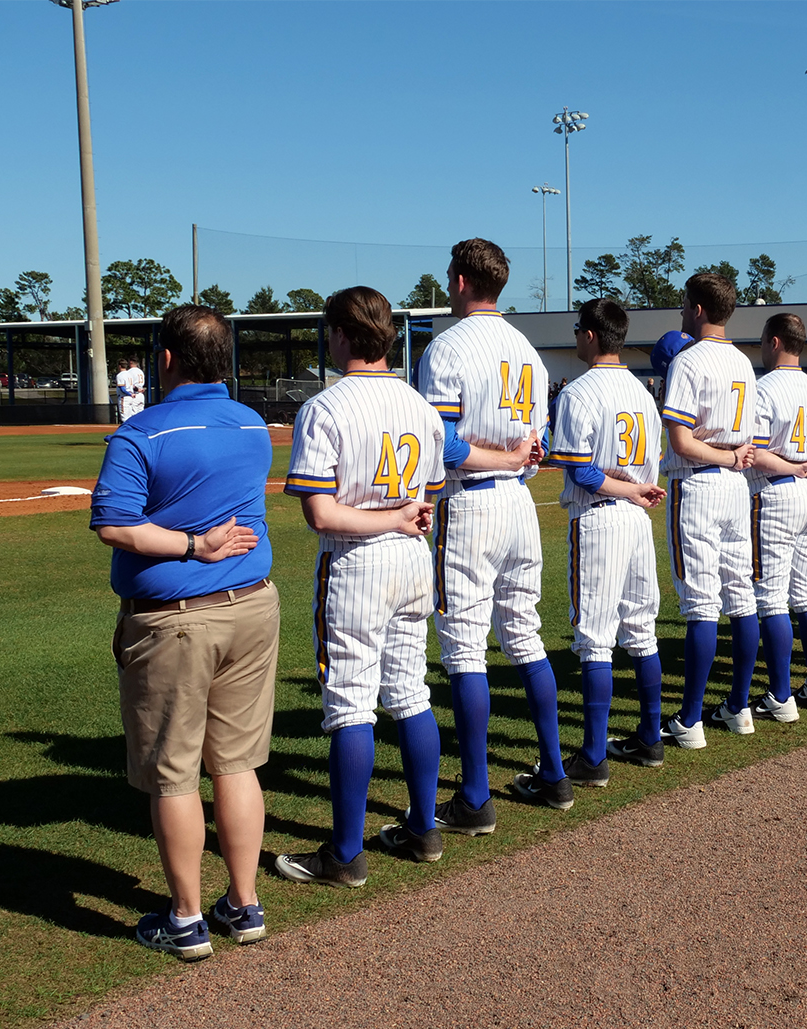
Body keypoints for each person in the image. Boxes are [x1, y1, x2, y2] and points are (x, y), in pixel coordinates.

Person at [91, 305, 277, 960]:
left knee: (174, 773)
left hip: (176, 619)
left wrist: (194, 545)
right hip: (252, 607)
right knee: (237, 763)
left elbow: (115, 525)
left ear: (166, 359)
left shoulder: (141, 433)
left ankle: (187, 919)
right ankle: (244, 905)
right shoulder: (253, 424)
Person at [275, 286, 449, 885]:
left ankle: (347, 855)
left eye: (331, 330)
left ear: (344, 334)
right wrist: (401, 518)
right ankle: (423, 829)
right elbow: (426, 498)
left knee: (352, 703)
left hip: (357, 562)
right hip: (411, 560)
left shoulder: (325, 406)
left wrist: (392, 518)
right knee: (411, 693)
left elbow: (321, 514)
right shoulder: (420, 406)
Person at [417, 239, 559, 831]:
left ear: (459, 281)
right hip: (520, 505)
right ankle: (554, 774)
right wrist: (512, 458)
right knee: (524, 635)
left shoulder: (447, 345)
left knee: (464, 648)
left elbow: (442, 444)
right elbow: (537, 447)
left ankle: (475, 798)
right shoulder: (528, 350)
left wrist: (496, 456)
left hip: (471, 502)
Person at [545, 299, 670, 776]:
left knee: (595, 640)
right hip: (636, 519)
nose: (577, 335)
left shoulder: (578, 391)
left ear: (592, 335)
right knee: (641, 629)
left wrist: (629, 490)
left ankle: (594, 757)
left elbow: (581, 472)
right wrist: (636, 490)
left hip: (601, 517)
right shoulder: (642, 391)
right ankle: (650, 738)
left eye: (579, 328)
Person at [648, 271, 761, 750]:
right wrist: (733, 459)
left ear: (697, 309)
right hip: (736, 487)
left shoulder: (688, 359)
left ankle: (690, 720)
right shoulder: (743, 361)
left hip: (699, 483)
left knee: (701, 603)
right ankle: (739, 706)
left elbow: (681, 440)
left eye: (683, 305)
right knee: (741, 596)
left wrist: (726, 458)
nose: (681, 313)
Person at [742, 312, 807, 718]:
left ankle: (781, 695)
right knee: (806, 591)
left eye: (764, 340)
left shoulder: (764, 388)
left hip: (777, 491)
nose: (762, 347)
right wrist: (800, 467)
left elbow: (758, 453)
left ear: (776, 342)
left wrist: (791, 467)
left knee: (771, 597)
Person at [115, 356, 145, 422]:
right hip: (140, 395)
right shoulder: (140, 371)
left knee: (130, 417)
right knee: (140, 416)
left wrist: (134, 391)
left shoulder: (129, 372)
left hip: (133, 395)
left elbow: (129, 386)